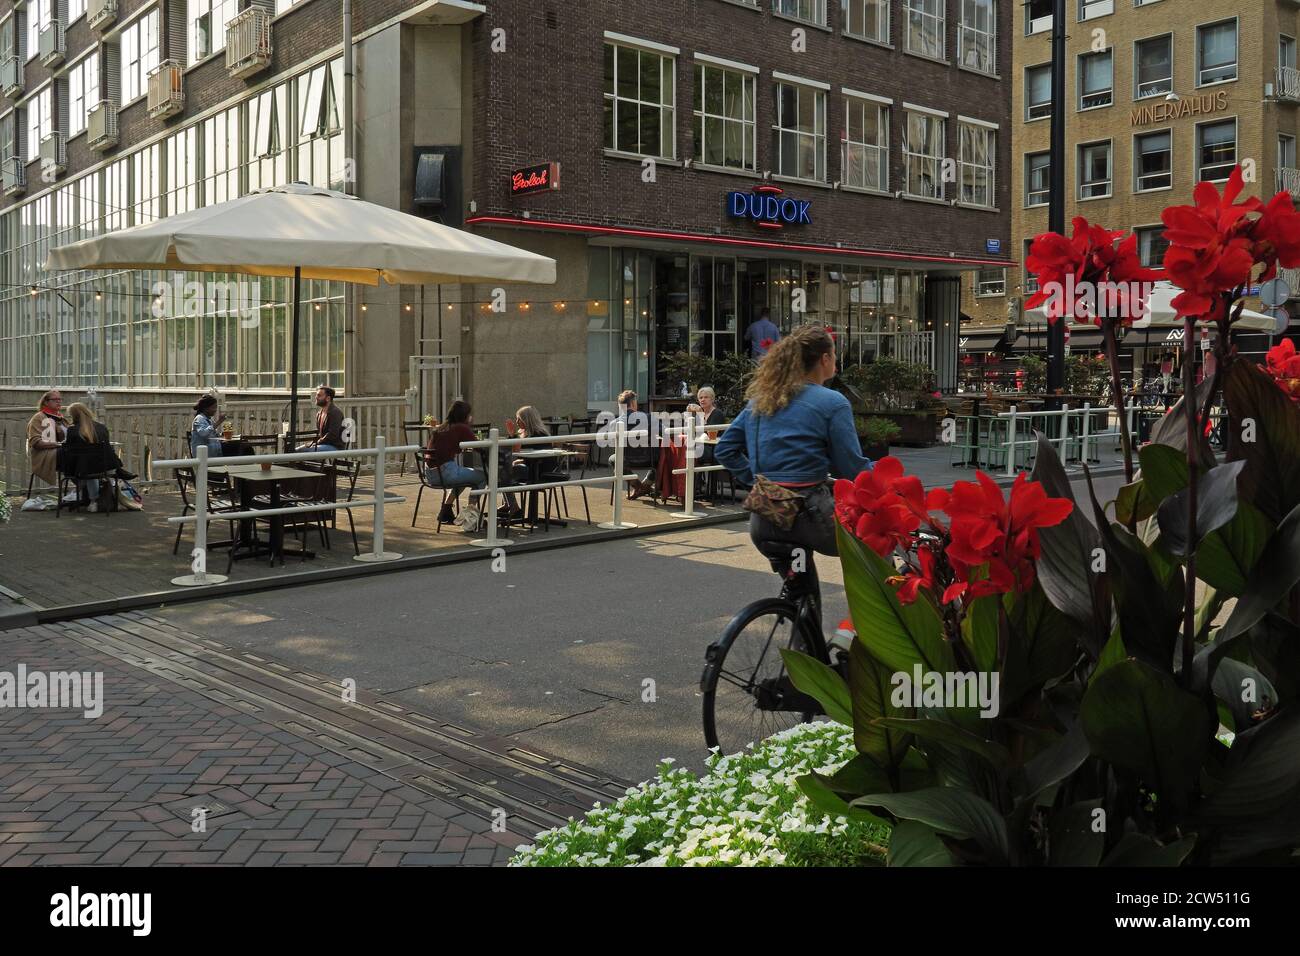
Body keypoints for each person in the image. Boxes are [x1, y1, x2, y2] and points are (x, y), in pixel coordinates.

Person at [715, 325, 873, 618]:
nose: (836, 360)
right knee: (877, 544)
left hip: (766, 519)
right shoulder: (832, 402)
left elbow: (724, 450)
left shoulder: (760, 403)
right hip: (809, 519)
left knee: (804, 597)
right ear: (824, 359)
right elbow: (852, 467)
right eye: (835, 355)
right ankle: (852, 636)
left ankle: (806, 648)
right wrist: (887, 480)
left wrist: (759, 482)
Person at [423, 399, 486, 525]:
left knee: (465, 477)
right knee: (482, 477)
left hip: (430, 474)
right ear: (465, 416)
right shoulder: (462, 427)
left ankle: (445, 510)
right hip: (446, 472)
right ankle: (470, 516)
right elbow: (479, 447)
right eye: (469, 414)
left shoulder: (441, 427)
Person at [61, 403, 130, 512]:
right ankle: (111, 498)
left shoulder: (72, 430)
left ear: (74, 417)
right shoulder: (101, 427)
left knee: (85, 468)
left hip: (87, 469)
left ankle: (91, 499)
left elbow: (70, 451)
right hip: (108, 465)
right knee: (93, 467)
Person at [686, 385, 726, 500]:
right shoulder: (699, 414)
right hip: (701, 447)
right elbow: (694, 433)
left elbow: (710, 435)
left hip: (713, 449)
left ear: (712, 399)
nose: (702, 400)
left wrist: (700, 414)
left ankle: (691, 490)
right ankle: (687, 489)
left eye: (706, 397)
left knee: (688, 452)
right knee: (683, 450)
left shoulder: (717, 414)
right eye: (700, 397)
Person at [26, 389, 67, 490]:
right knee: (73, 455)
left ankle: (84, 490)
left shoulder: (61, 418)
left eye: (60, 399)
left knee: (81, 454)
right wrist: (58, 444)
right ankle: (82, 489)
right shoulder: (38, 418)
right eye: (55, 399)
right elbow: (35, 442)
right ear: (46, 402)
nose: (58, 401)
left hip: (60, 451)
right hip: (44, 454)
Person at [299, 385, 344, 452]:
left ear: (328, 398)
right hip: (323, 444)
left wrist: (318, 442)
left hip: (334, 446)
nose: (316, 397)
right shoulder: (319, 413)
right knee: (296, 450)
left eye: (319, 395)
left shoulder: (335, 413)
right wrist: (313, 442)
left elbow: (332, 434)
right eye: (317, 395)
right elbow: (320, 434)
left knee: (304, 451)